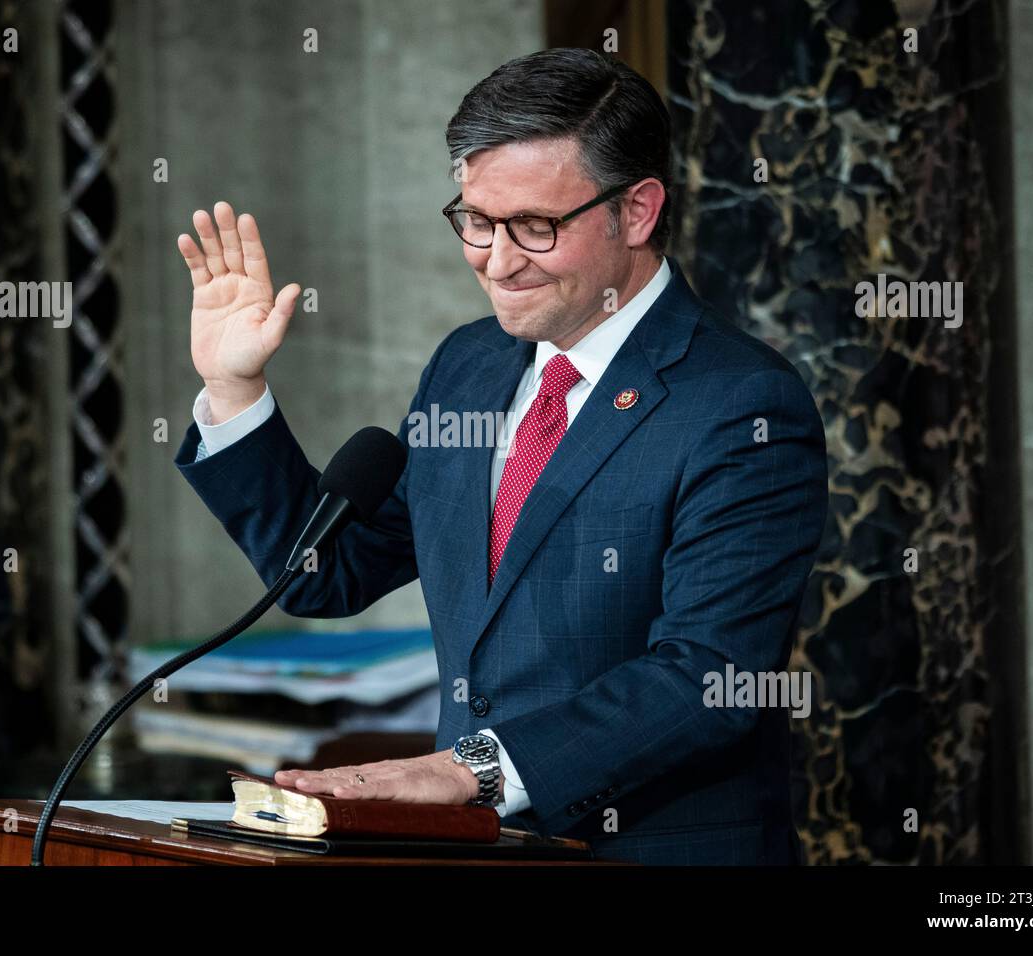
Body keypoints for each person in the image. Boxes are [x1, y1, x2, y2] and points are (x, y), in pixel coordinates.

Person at [172, 48, 827, 865]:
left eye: (535, 227)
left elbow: (706, 680)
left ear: (638, 210)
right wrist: (234, 388)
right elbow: (326, 572)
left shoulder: (740, 402)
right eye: (476, 221)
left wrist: (467, 770)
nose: (497, 259)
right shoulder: (468, 365)